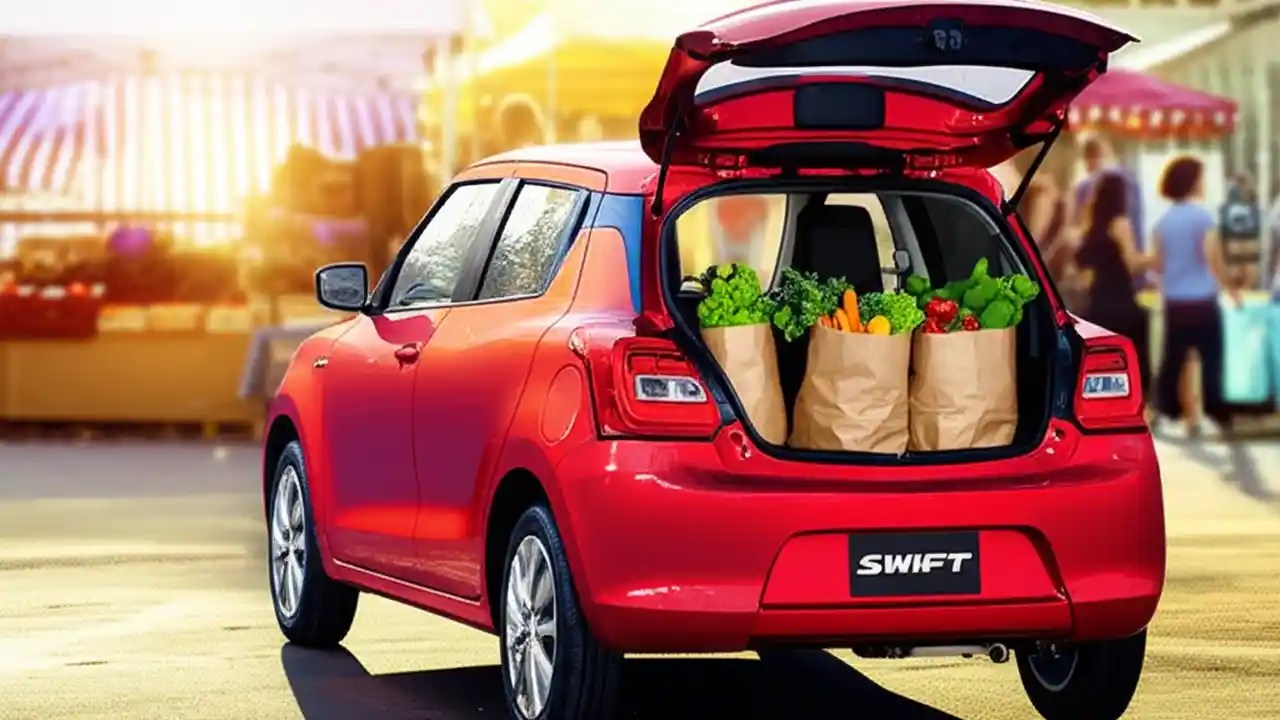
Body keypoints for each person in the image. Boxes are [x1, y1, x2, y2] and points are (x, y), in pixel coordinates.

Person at [1149, 156, 1241, 438]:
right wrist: (1231, 288)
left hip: (1175, 301)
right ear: (1192, 182)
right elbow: (1213, 258)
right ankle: (1218, 415)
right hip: (1202, 300)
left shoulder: (1162, 221)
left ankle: (1162, 412)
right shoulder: (1203, 216)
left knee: (1173, 360)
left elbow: (1158, 263)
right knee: (1211, 360)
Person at [1073, 171, 1153, 396]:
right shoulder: (1120, 223)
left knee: (1102, 361)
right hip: (1121, 301)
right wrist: (1156, 259)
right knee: (1132, 359)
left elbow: (1082, 270)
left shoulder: (1090, 226)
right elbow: (1132, 263)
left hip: (1097, 303)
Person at [1073, 135, 1144, 249]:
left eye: (1094, 156)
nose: (1091, 162)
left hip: (1107, 248)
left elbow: (1132, 219)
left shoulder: (1124, 181)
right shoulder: (1082, 188)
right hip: (1107, 248)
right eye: (1088, 157)